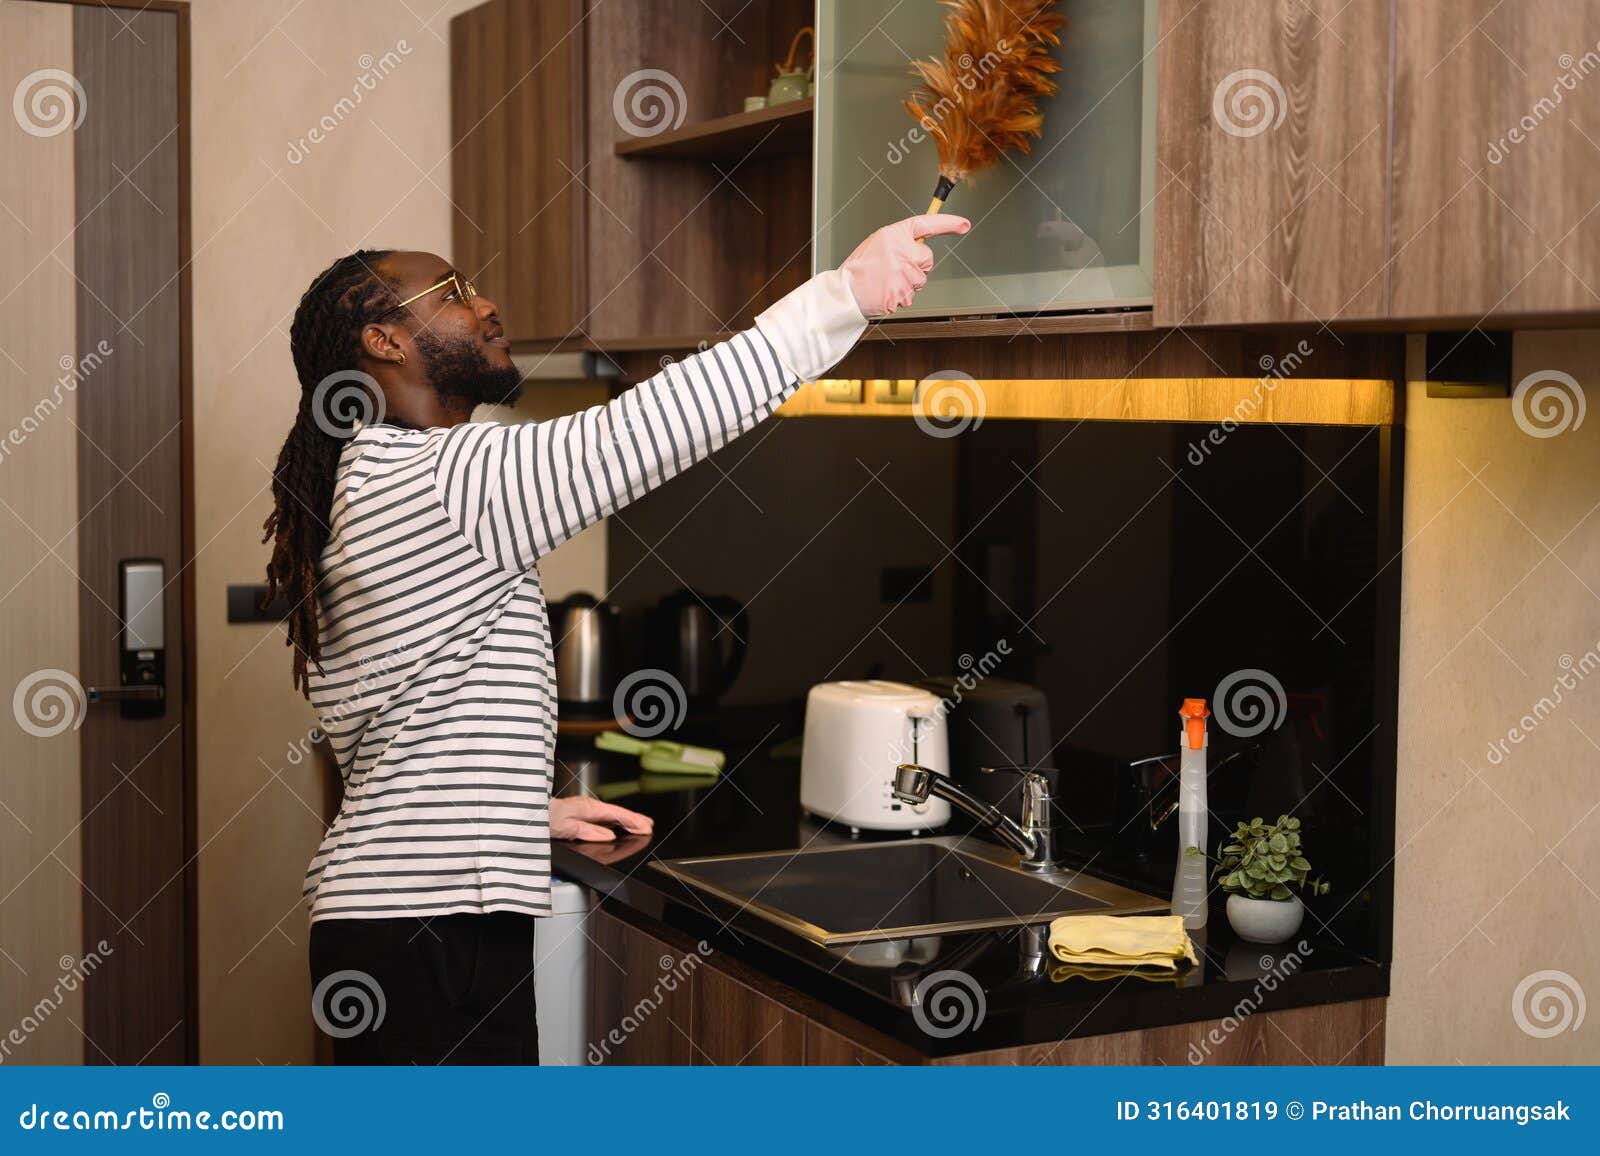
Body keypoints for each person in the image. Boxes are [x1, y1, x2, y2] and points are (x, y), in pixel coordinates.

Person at [261, 213, 971, 1064]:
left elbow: (401, 723)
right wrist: (844, 293)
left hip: (398, 923)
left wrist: (515, 815)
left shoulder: (366, 476)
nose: (485, 304)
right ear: (382, 340)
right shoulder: (443, 476)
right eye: (451, 293)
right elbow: (647, 430)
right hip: (431, 935)